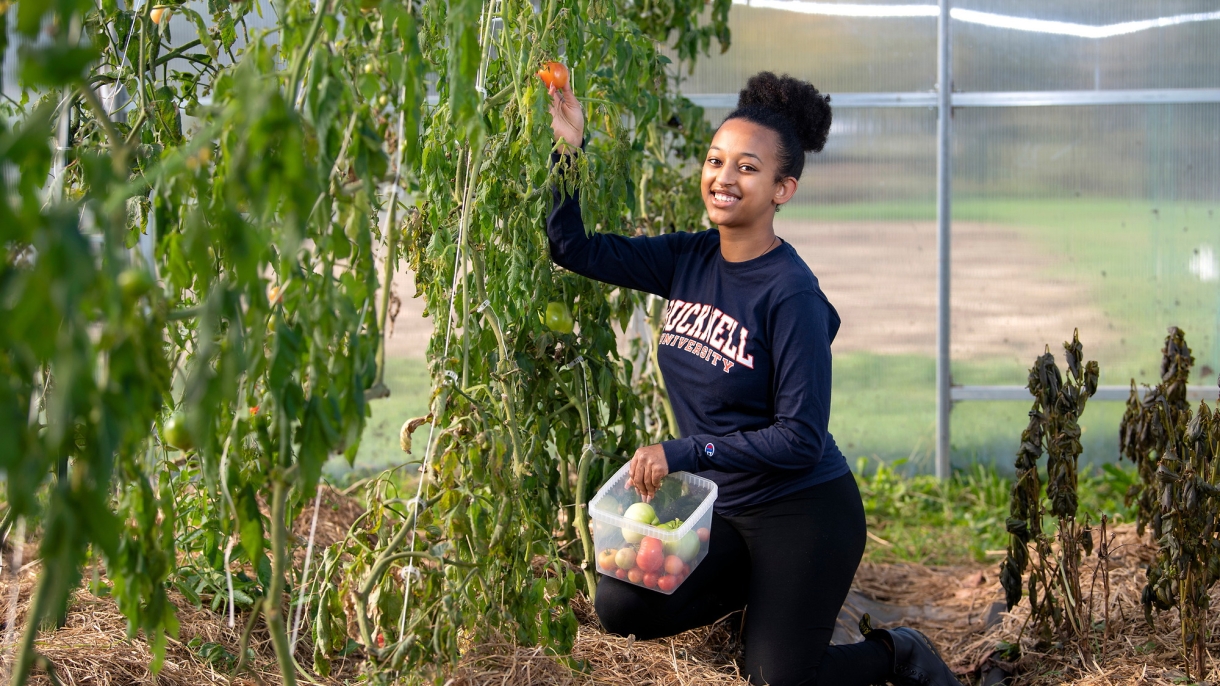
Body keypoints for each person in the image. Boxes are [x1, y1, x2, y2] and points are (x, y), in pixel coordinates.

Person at [545, 71, 962, 686]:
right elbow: (571, 247)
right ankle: (764, 604)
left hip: (803, 512)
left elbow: (798, 437)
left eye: (746, 167)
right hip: (724, 511)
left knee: (777, 682)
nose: (722, 177)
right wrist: (567, 150)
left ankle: (898, 653)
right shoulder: (688, 259)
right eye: (715, 161)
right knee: (622, 607)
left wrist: (684, 450)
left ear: (782, 189)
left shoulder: (791, 294)